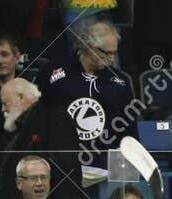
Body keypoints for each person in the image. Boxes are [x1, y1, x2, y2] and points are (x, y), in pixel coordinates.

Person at [33, 17, 133, 161]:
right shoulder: (53, 72)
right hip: (60, 161)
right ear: (88, 46)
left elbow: (128, 131)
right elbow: (37, 117)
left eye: (114, 53)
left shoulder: (120, 82)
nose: (111, 59)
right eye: (106, 53)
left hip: (104, 164)